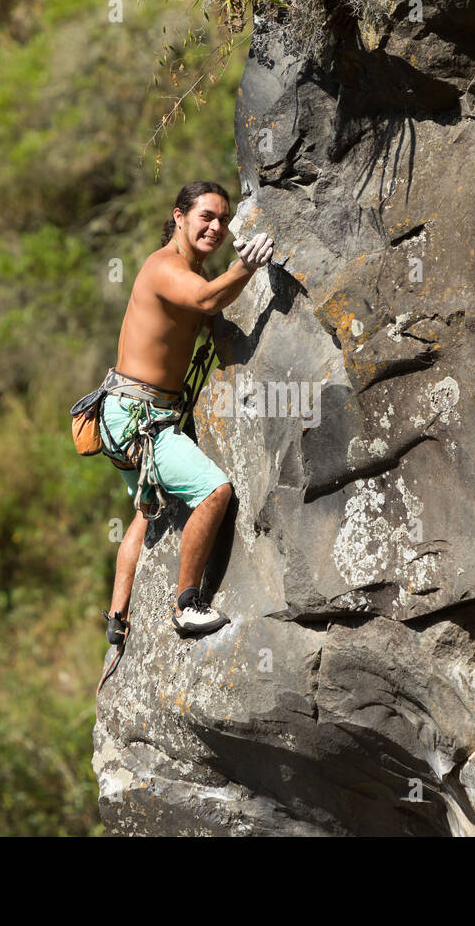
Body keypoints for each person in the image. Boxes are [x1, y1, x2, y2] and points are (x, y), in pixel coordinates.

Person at [99, 181, 273, 642]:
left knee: (148, 510)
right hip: (137, 416)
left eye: (222, 218)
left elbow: (208, 306)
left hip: (126, 413)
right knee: (214, 491)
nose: (215, 226)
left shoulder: (188, 271)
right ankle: (187, 605)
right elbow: (206, 300)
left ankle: (117, 618)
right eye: (205, 217)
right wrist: (246, 266)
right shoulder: (164, 268)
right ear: (179, 217)